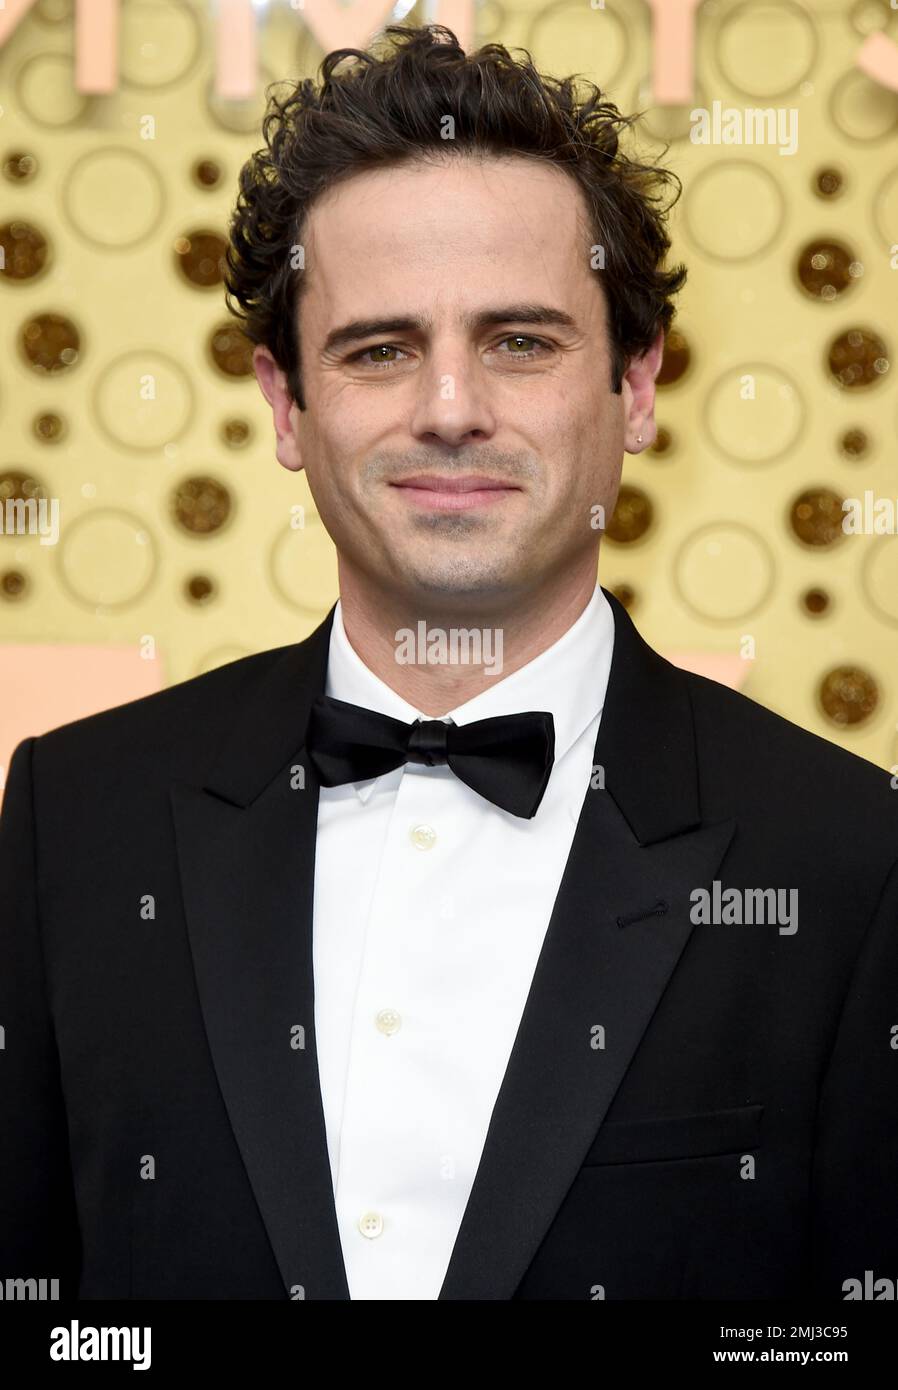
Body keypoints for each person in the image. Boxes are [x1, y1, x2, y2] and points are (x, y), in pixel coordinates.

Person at [1, 23, 896, 1302]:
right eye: (378, 349)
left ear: (636, 387)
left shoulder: (851, 854)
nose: (448, 406)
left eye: (521, 341)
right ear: (286, 405)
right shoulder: (74, 820)